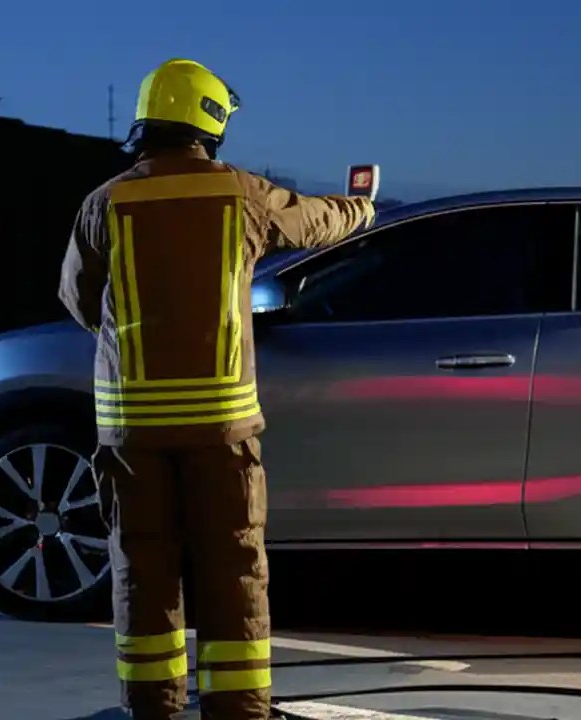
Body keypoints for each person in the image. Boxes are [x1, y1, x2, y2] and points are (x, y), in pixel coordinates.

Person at [58, 58, 377, 720]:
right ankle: (238, 709)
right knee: (233, 571)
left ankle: (152, 703)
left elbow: (80, 300)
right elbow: (316, 223)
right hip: (220, 431)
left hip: (132, 432)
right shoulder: (242, 194)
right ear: (208, 122)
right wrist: (363, 206)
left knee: (142, 571)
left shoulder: (105, 202)